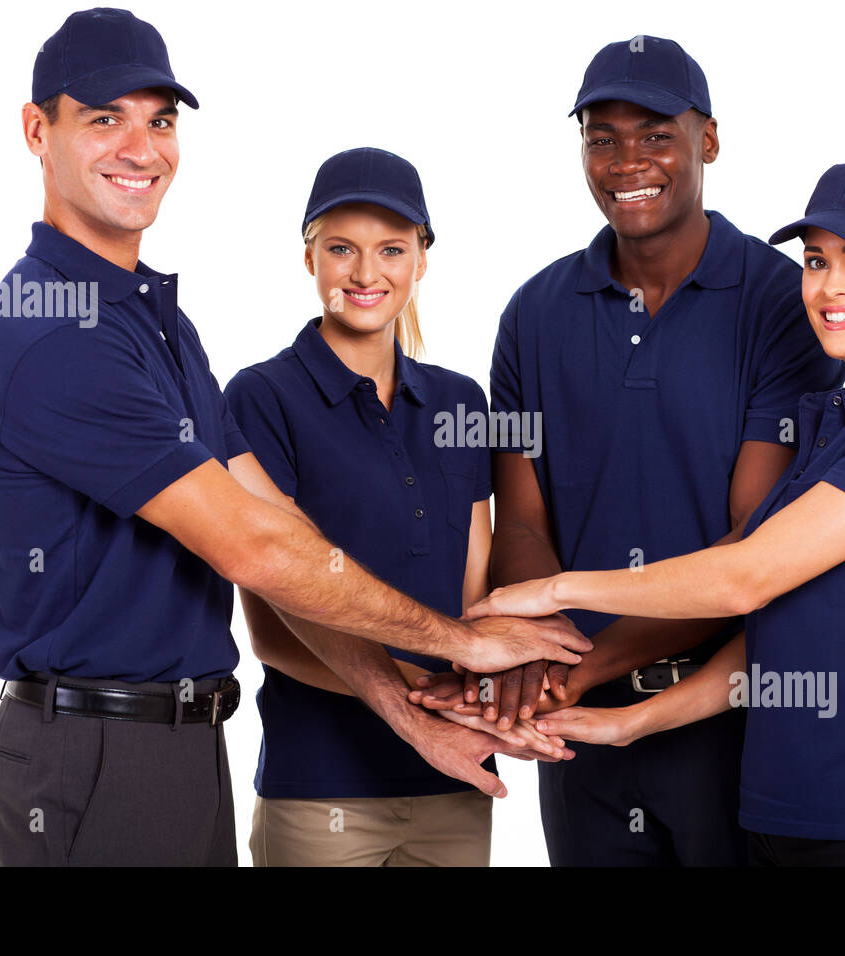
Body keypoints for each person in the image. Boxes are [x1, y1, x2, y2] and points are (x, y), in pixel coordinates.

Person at [0, 8, 589, 867]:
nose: (141, 147)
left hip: (182, 740)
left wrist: (411, 712)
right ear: (38, 129)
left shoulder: (156, 323)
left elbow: (286, 538)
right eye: (105, 118)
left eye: (161, 120)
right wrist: (463, 642)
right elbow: (254, 549)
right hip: (95, 745)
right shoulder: (52, 332)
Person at [467, 160, 845, 867]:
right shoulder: (828, 424)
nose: (833, 285)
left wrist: (556, 590)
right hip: (774, 824)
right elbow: (769, 639)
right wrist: (628, 725)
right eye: (816, 260)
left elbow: (745, 578)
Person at [411, 35, 844, 866]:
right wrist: (545, 667)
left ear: (707, 140)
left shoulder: (780, 306)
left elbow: (752, 549)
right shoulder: (533, 313)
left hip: (724, 718)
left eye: (655, 134)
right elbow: (523, 519)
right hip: (574, 736)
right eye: (600, 137)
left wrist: (566, 666)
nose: (626, 160)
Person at [224, 148, 571, 867]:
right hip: (321, 787)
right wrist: (427, 700)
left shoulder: (459, 402)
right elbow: (271, 625)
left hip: (457, 781)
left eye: (391, 249)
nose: (364, 273)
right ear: (310, 259)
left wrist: (490, 706)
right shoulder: (262, 399)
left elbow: (478, 597)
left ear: (422, 260)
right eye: (340, 249)